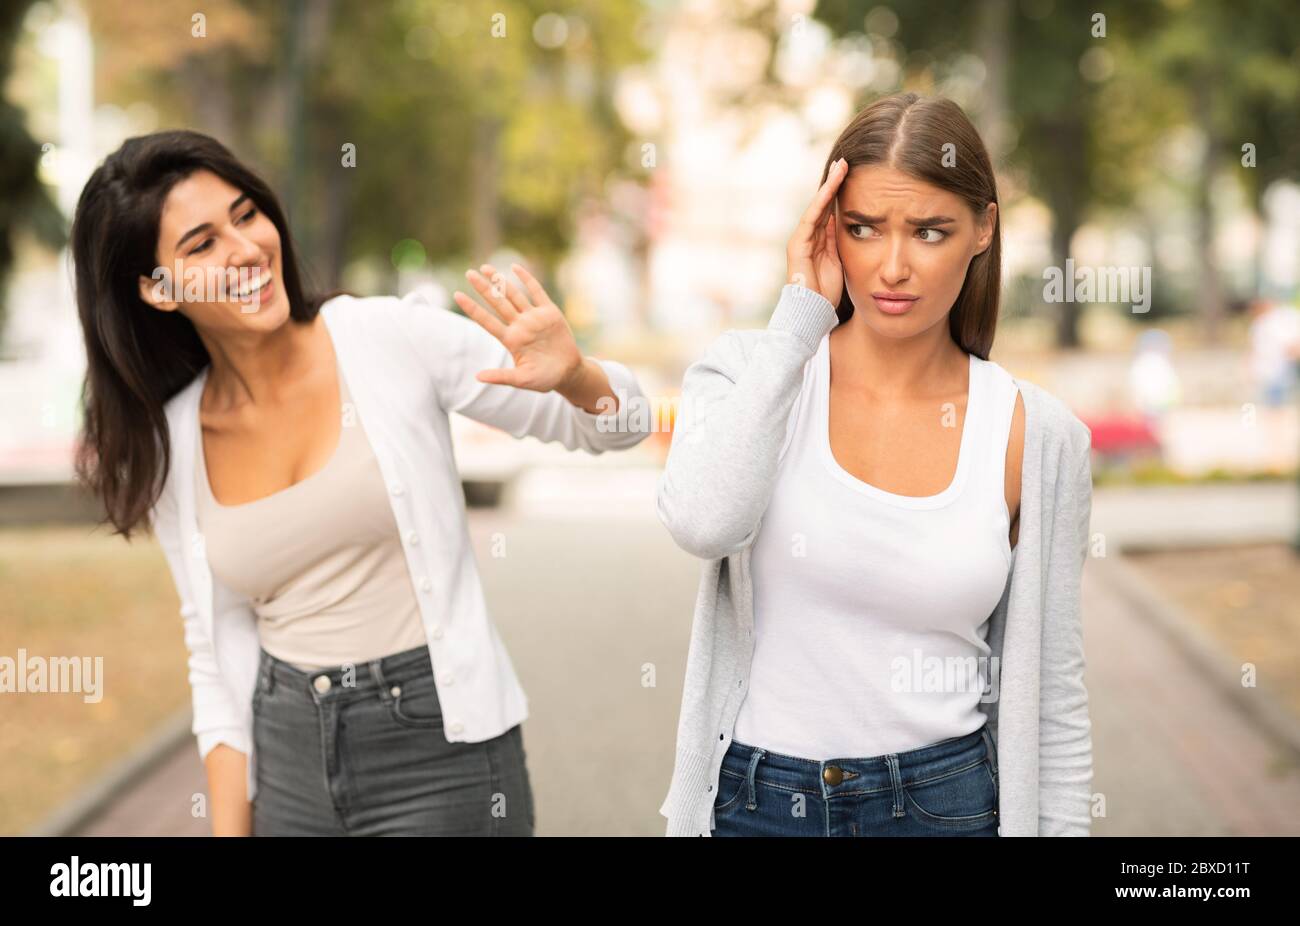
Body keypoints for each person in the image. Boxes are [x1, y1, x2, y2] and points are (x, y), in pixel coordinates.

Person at [70, 129, 650, 836]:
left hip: (443, 755)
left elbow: (618, 427)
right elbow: (214, 658)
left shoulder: (387, 339)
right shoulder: (171, 445)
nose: (247, 248)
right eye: (201, 244)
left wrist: (580, 378)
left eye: (246, 215)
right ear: (157, 291)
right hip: (288, 763)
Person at [656, 92, 1095, 836]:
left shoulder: (1036, 434)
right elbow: (702, 522)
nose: (893, 266)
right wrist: (800, 319)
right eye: (863, 229)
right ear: (829, 228)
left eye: (930, 231)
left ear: (984, 228)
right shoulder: (749, 376)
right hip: (756, 805)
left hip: (944, 803)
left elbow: (1054, 697)